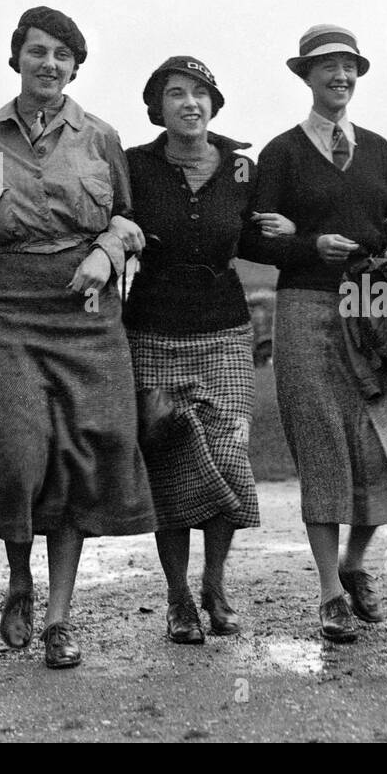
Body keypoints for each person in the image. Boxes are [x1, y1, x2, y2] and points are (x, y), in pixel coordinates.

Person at [0, 6, 154, 668]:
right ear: (16, 57)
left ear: (75, 66)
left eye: (62, 54)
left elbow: (129, 219)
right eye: (37, 50)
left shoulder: (101, 137)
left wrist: (107, 251)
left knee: (82, 456)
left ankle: (58, 615)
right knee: (25, 457)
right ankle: (18, 577)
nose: (49, 63)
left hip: (87, 310)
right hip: (13, 310)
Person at [253, 24, 387, 643]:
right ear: (306, 75)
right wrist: (306, 244)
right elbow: (254, 237)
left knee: (383, 440)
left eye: (349, 66)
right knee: (322, 444)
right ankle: (329, 592)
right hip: (304, 307)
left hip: (374, 305)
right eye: (328, 66)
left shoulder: (378, 150)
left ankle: (356, 562)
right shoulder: (281, 153)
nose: (341, 77)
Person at [124, 55, 294, 644]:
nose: (190, 103)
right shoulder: (133, 168)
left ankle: (214, 584)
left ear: (215, 104)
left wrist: (286, 237)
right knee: (168, 464)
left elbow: (251, 237)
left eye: (201, 92)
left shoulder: (242, 171)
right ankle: (176, 597)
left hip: (223, 329)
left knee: (228, 457)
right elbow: (113, 226)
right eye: (176, 93)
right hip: (151, 330)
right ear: (158, 106)